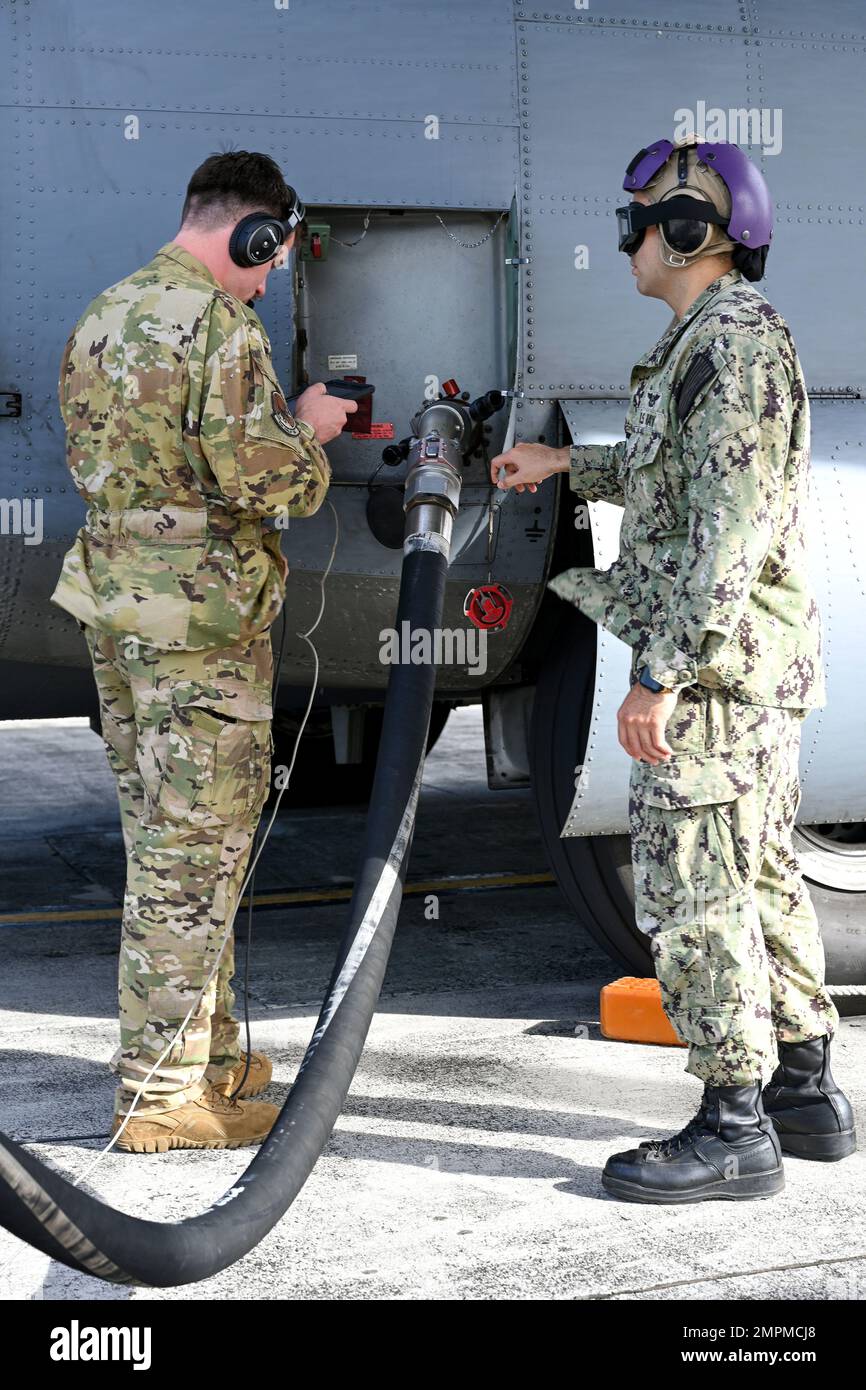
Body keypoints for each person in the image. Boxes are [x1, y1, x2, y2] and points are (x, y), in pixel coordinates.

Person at [490, 135, 856, 1203]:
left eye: (640, 223)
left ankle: (731, 1126)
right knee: (762, 880)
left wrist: (658, 676)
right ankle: (801, 1090)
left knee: (694, 890)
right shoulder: (714, 338)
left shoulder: (727, 347)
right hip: (746, 672)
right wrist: (568, 464)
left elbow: (725, 535)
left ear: (693, 233)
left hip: (713, 677)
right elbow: (678, 473)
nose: (626, 244)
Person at [51, 151, 355, 1152]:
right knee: (193, 858)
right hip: (201, 632)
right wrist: (309, 429)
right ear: (251, 233)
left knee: (174, 846)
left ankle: (206, 1061)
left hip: (120, 614)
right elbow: (268, 485)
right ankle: (157, 1095)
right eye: (270, 261)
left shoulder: (102, 313)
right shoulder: (219, 327)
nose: (269, 282)